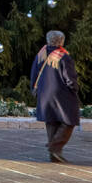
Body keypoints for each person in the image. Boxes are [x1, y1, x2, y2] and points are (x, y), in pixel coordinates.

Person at [30, 30, 81, 163]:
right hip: (60, 94)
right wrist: (74, 88)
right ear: (61, 41)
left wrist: (35, 89)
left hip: (44, 93)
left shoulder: (41, 53)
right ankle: (54, 147)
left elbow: (34, 72)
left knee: (52, 121)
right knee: (70, 120)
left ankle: (55, 155)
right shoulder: (63, 56)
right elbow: (69, 78)